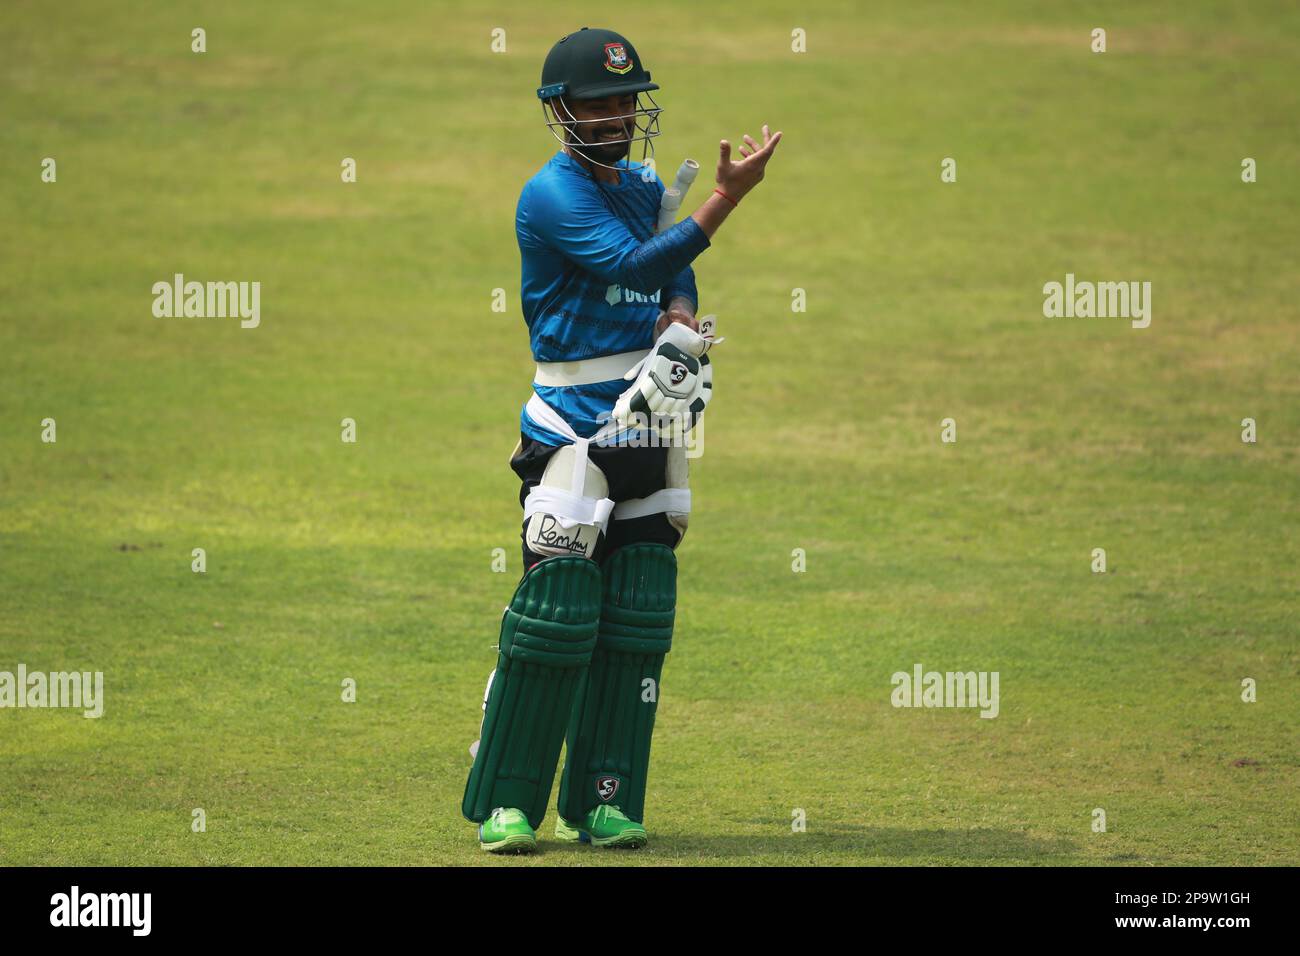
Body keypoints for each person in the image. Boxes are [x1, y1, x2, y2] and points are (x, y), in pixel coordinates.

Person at [462, 26, 782, 853]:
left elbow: (667, 271)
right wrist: (727, 200)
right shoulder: (551, 195)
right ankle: (508, 802)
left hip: (652, 416)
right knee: (555, 613)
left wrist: (681, 313)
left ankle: (602, 799)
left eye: (624, 101)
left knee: (637, 612)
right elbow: (631, 269)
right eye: (597, 103)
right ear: (559, 110)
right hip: (571, 426)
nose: (613, 115)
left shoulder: (641, 185)